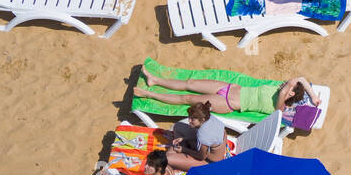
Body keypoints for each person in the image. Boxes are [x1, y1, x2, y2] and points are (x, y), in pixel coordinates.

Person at [135, 65, 319, 119]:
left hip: (229, 104)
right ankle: (155, 80)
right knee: (190, 82)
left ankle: (149, 94)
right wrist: (314, 96)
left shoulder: (280, 106)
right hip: (230, 88)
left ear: (292, 94)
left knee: (188, 98)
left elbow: (290, 88)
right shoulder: (280, 88)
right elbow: (301, 78)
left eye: (288, 86)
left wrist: (286, 89)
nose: (286, 83)